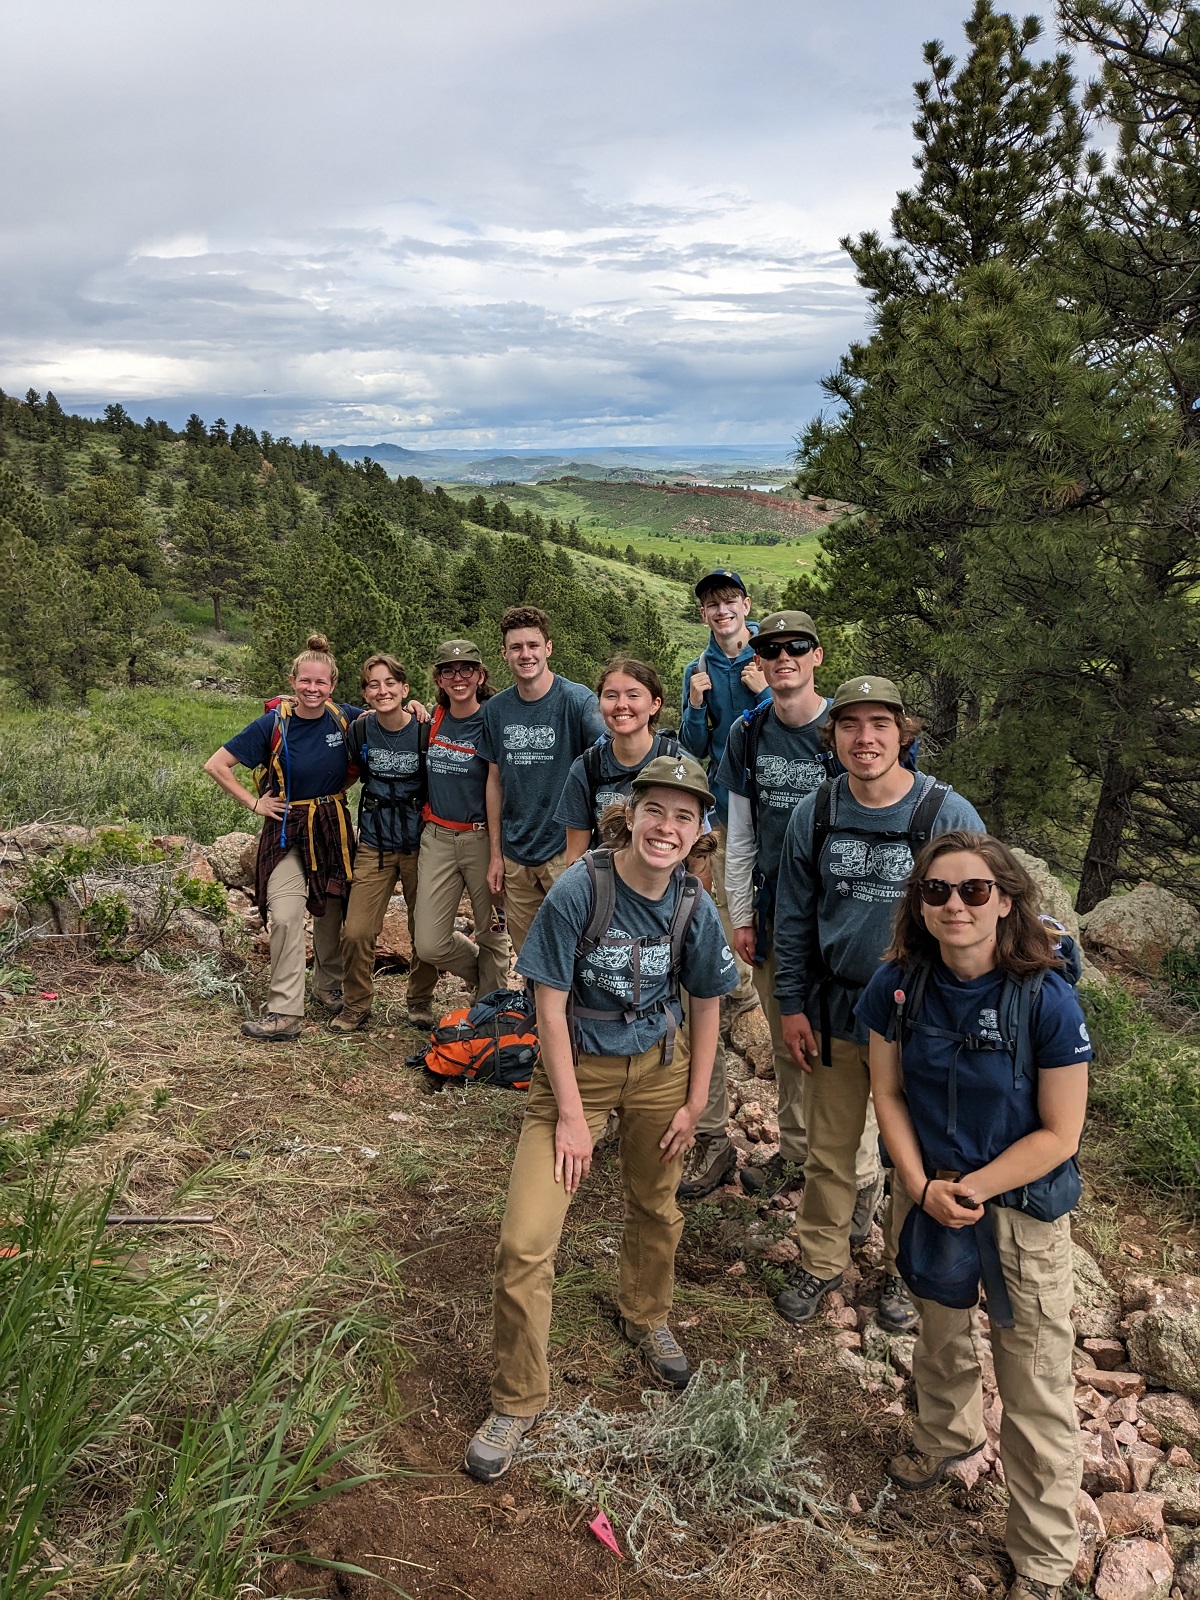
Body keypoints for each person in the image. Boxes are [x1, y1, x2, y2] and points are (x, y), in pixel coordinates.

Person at [464, 754, 738, 1483]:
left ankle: (645, 1313)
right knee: (525, 1241)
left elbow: (707, 1002)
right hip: (574, 1072)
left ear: (700, 830)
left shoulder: (693, 905)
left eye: (685, 816)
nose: (667, 827)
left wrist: (692, 1101)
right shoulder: (579, 890)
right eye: (657, 810)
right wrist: (571, 1118)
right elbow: (546, 1007)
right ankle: (518, 1398)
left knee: (656, 1206)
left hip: (660, 1069)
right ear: (630, 811)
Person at [859, 831, 1089, 1600]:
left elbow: (1061, 1132)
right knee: (940, 1328)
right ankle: (944, 1437)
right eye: (937, 891)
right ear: (918, 905)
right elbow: (886, 1092)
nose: (955, 904)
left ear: (1007, 901)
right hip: (931, 1192)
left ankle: (1046, 1559)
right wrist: (922, 1188)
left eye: (974, 891)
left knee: (1033, 1379)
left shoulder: (1046, 996)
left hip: (1018, 1207)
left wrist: (972, 1188)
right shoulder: (897, 986)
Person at [772, 675, 984, 1329]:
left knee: (914, 1155)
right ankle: (819, 1262)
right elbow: (793, 916)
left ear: (902, 733)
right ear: (831, 737)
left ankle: (903, 1270)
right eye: (850, 726)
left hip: (921, 1018)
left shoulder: (945, 816)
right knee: (831, 1149)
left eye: (880, 725)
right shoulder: (818, 812)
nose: (865, 739)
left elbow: (989, 908)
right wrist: (790, 1003)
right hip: (837, 1010)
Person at [710, 611, 880, 1217]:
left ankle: (860, 1182)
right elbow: (739, 834)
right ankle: (798, 1150)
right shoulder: (747, 734)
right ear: (757, 659)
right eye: (771, 648)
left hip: (839, 923)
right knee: (789, 1043)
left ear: (817, 656)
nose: (783, 657)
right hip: (775, 914)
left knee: (842, 1052)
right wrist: (742, 915)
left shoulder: (847, 733)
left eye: (796, 647)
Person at [204, 633, 358, 1041]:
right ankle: (286, 1011)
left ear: (332, 685)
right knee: (287, 915)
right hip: (286, 828)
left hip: (330, 824)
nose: (312, 689)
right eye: (305, 681)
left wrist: (415, 706)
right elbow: (217, 764)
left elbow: (389, 717)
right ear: (293, 681)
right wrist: (254, 805)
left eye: (321, 683)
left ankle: (329, 989)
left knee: (331, 914)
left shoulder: (346, 718)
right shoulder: (273, 723)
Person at [678, 570, 770, 1166]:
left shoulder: (771, 656)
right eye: (711, 605)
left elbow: (786, 724)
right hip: (722, 806)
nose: (721, 611)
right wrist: (694, 706)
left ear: (745, 605)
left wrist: (760, 691)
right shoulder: (699, 670)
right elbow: (693, 744)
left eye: (729, 601)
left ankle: (754, 983)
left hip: (770, 805)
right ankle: (724, 979)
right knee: (715, 903)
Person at [482, 605, 606, 955]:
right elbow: (494, 781)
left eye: (533, 645)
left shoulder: (577, 701)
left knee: (575, 946)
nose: (526, 654)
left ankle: (574, 1012)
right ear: (505, 653)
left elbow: (610, 752)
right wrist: (496, 854)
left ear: (548, 648)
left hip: (564, 851)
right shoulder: (496, 710)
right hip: (516, 855)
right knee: (528, 953)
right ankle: (538, 1010)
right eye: (517, 647)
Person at [333, 653, 440, 1033]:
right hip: (374, 843)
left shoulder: (425, 729)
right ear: (365, 692)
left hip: (419, 843)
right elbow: (346, 773)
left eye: (390, 683)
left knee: (424, 931)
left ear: (405, 688)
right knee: (357, 930)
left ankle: (420, 1001)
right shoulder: (359, 731)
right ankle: (357, 1004)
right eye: (374, 685)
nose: (383, 691)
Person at [412, 639, 511, 999]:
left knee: (493, 934)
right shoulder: (431, 719)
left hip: (484, 839)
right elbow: (382, 715)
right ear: (438, 679)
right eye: (449, 671)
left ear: (480, 675)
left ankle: (493, 1015)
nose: (459, 677)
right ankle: (486, 981)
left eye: (467, 669)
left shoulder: (493, 720)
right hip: (437, 837)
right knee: (429, 943)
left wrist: (500, 853)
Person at [555, 657, 681, 864]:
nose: (621, 705)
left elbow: (697, 857)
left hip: (664, 886)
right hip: (605, 886)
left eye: (633, 695)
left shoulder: (678, 764)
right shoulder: (587, 767)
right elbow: (575, 858)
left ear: (654, 704)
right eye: (611, 696)